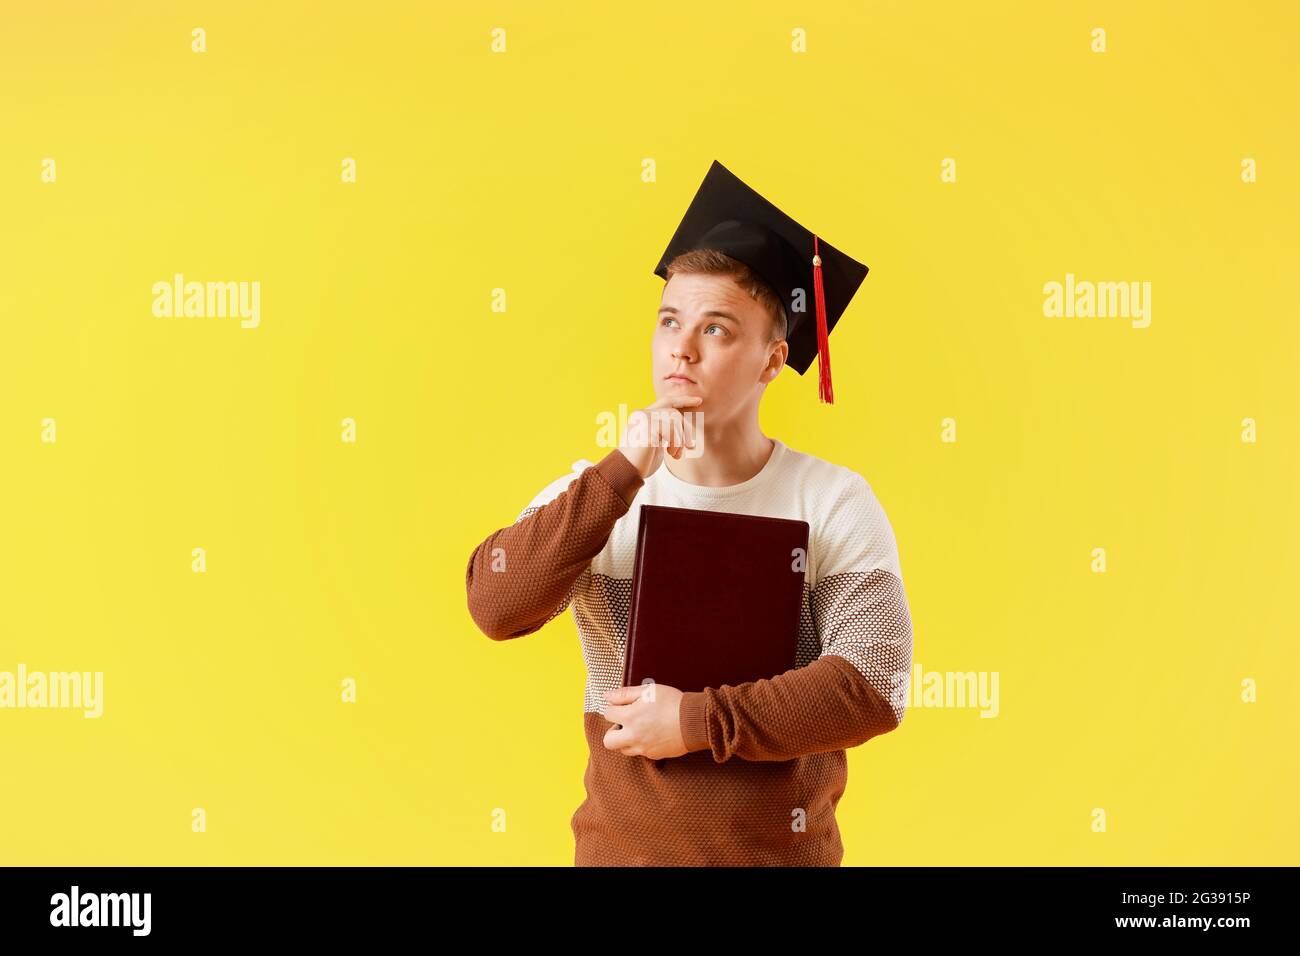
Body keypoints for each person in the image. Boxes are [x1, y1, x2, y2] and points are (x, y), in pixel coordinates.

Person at [465, 160, 914, 866]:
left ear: (772, 361)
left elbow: (871, 685)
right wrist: (624, 472)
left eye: (717, 330)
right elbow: (496, 605)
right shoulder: (597, 492)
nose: (681, 347)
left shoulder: (832, 500)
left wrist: (695, 720)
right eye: (670, 320)